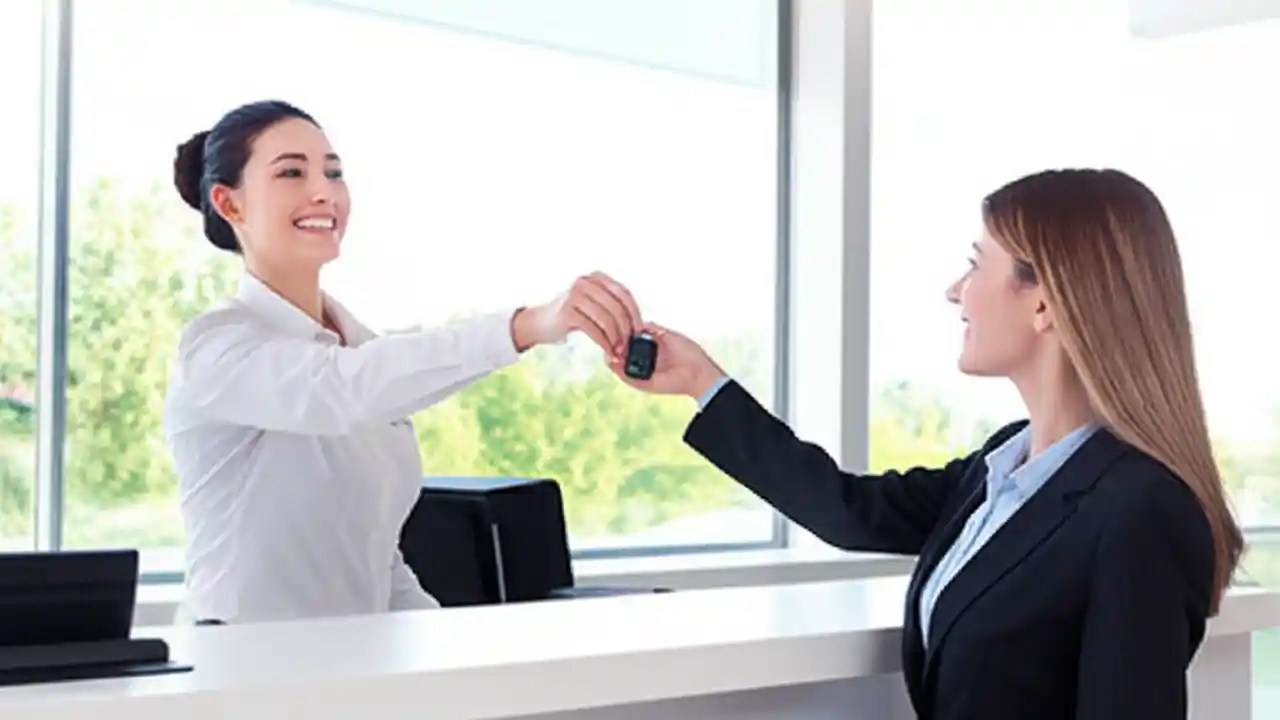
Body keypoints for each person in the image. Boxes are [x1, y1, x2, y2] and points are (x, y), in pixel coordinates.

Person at [613, 168, 1243, 720]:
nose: (955, 290)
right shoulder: (1006, 465)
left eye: (976, 264)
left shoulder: (1141, 509)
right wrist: (702, 383)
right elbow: (849, 510)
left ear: (1044, 303)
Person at [164, 100, 643, 624]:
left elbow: (375, 561)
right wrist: (526, 326)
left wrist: (465, 646)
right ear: (229, 204)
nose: (323, 191)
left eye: (333, 172)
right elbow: (339, 391)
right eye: (291, 173)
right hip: (237, 661)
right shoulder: (215, 347)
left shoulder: (361, 350)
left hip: (345, 664)